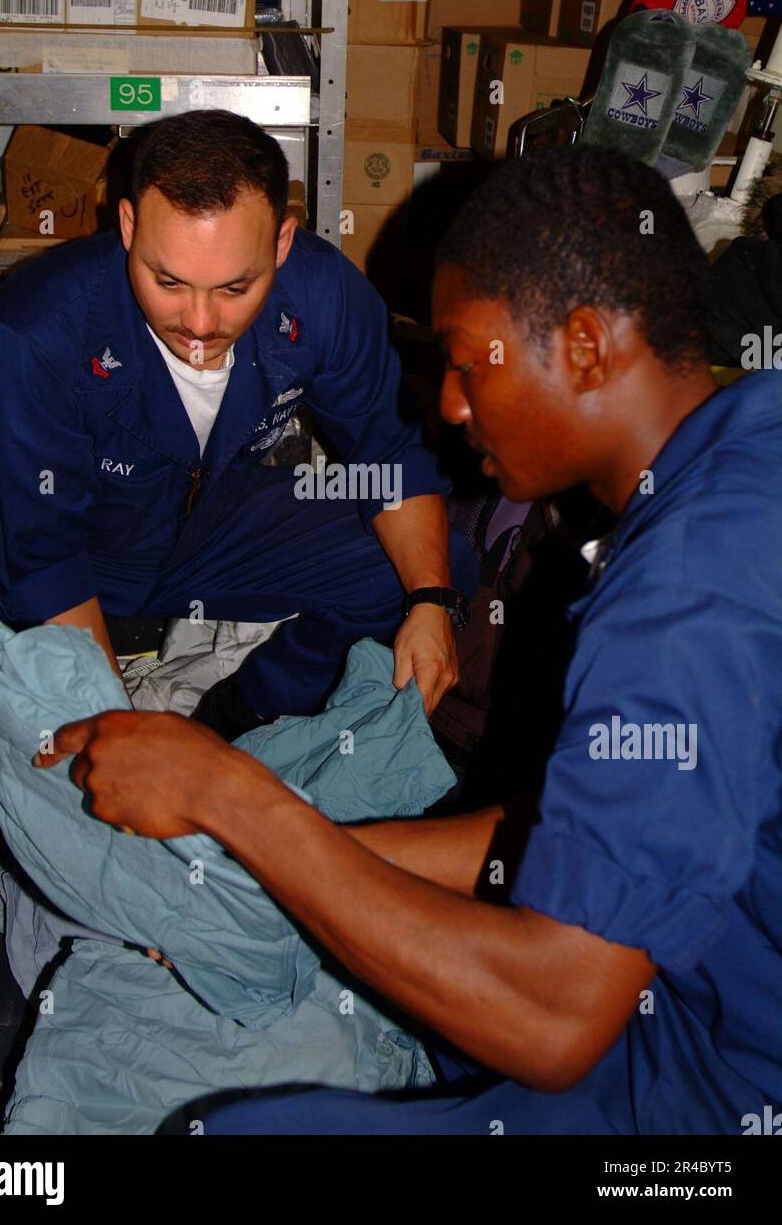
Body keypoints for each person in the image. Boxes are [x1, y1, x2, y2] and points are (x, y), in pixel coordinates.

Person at [41, 145, 782, 1134]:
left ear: (582, 346)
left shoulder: (680, 602)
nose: (448, 403)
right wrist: (282, 885)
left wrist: (234, 797)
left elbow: (554, 1018)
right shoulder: (746, 441)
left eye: (469, 359)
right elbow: (577, 841)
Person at [0, 111, 474, 739]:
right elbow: (43, 562)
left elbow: (388, 455)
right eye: (168, 281)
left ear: (282, 246)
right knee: (45, 759)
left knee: (436, 565)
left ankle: (243, 713)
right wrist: (128, 737)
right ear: (127, 226)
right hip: (68, 558)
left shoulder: (322, 294)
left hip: (207, 531)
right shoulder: (31, 335)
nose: (200, 323)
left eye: (236, 287)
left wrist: (429, 603)